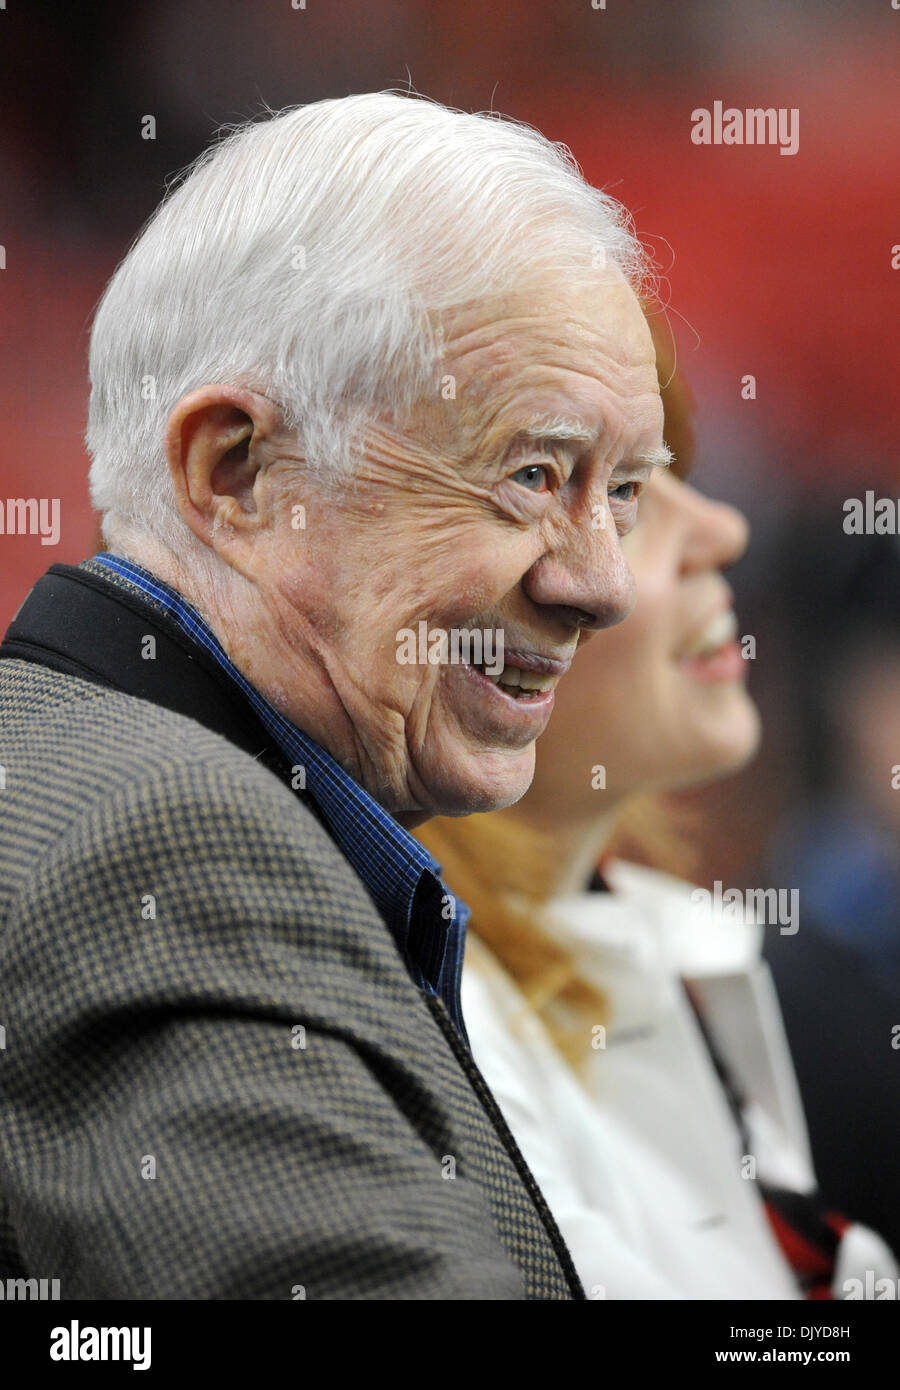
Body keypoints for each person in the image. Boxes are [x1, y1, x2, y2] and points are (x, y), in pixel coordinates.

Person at [0, 92, 672, 1300]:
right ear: (237, 474)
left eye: (623, 489)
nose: (602, 584)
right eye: (532, 473)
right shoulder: (166, 847)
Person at [416, 331, 899, 1299]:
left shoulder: (714, 959)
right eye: (627, 493)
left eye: (660, 475)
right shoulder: (416, 1022)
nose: (721, 529)